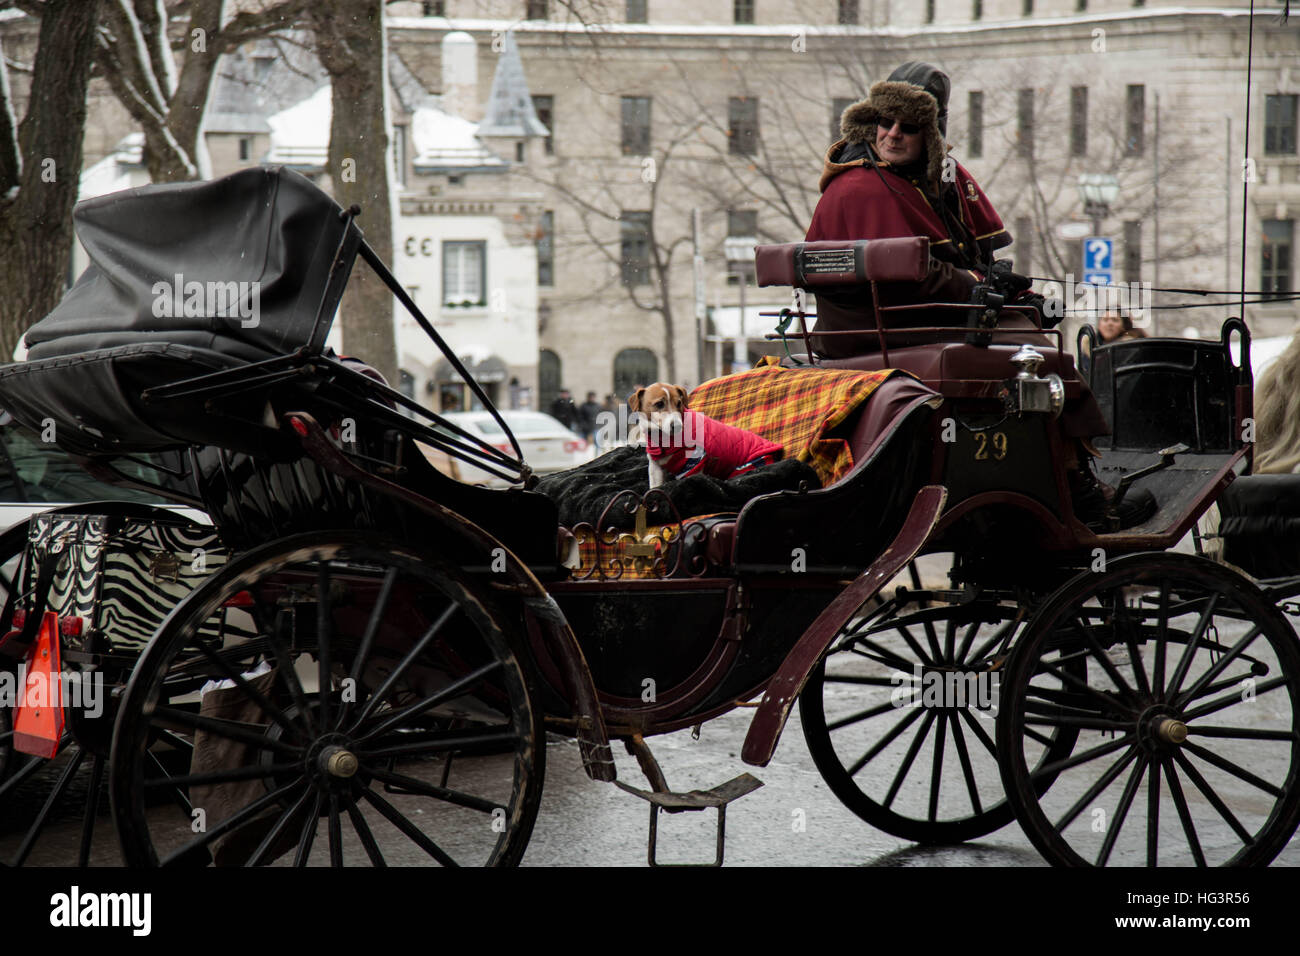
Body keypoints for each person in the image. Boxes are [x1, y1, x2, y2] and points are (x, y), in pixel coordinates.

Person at [805, 62, 1153, 531]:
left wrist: (1018, 291)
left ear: (932, 132)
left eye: (909, 127)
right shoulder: (863, 187)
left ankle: (1058, 478)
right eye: (884, 123)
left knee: (1030, 328)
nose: (892, 135)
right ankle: (1075, 491)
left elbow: (972, 254)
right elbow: (909, 275)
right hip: (885, 329)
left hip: (919, 318)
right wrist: (980, 289)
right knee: (1039, 358)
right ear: (870, 121)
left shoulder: (935, 176)